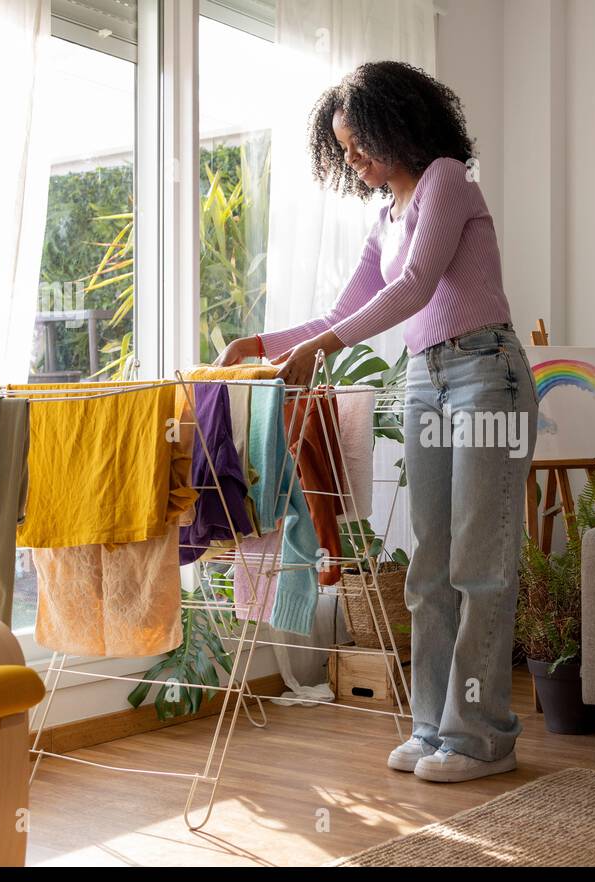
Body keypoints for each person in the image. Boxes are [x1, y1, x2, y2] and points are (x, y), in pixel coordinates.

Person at [217, 61, 536, 783]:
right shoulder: (383, 217)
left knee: (478, 567)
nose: (353, 157)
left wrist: (316, 350)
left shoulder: (447, 180)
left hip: (488, 372)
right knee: (428, 569)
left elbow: (416, 286)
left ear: (400, 125)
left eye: (360, 141)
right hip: (424, 376)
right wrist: (263, 345)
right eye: (344, 146)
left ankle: (482, 736)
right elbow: (339, 312)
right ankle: (432, 730)